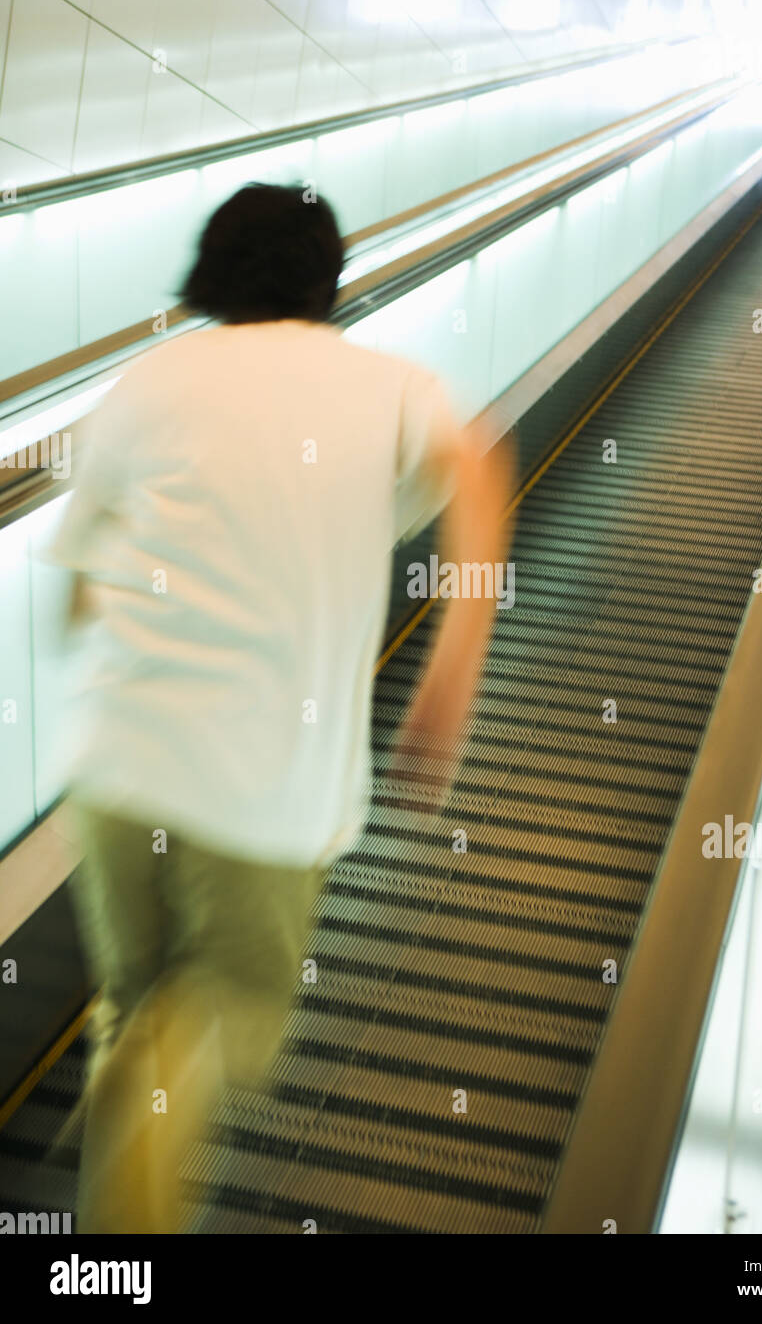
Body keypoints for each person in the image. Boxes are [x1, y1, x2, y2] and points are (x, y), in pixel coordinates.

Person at [45, 183, 512, 1233]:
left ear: (210, 272)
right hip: (260, 791)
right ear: (328, 277)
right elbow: (478, 465)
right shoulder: (384, 384)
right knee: (232, 1008)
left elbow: (79, 580)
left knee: (136, 996)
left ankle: (120, 1184)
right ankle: (132, 1194)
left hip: (117, 767)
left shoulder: (148, 378)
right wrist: (452, 666)